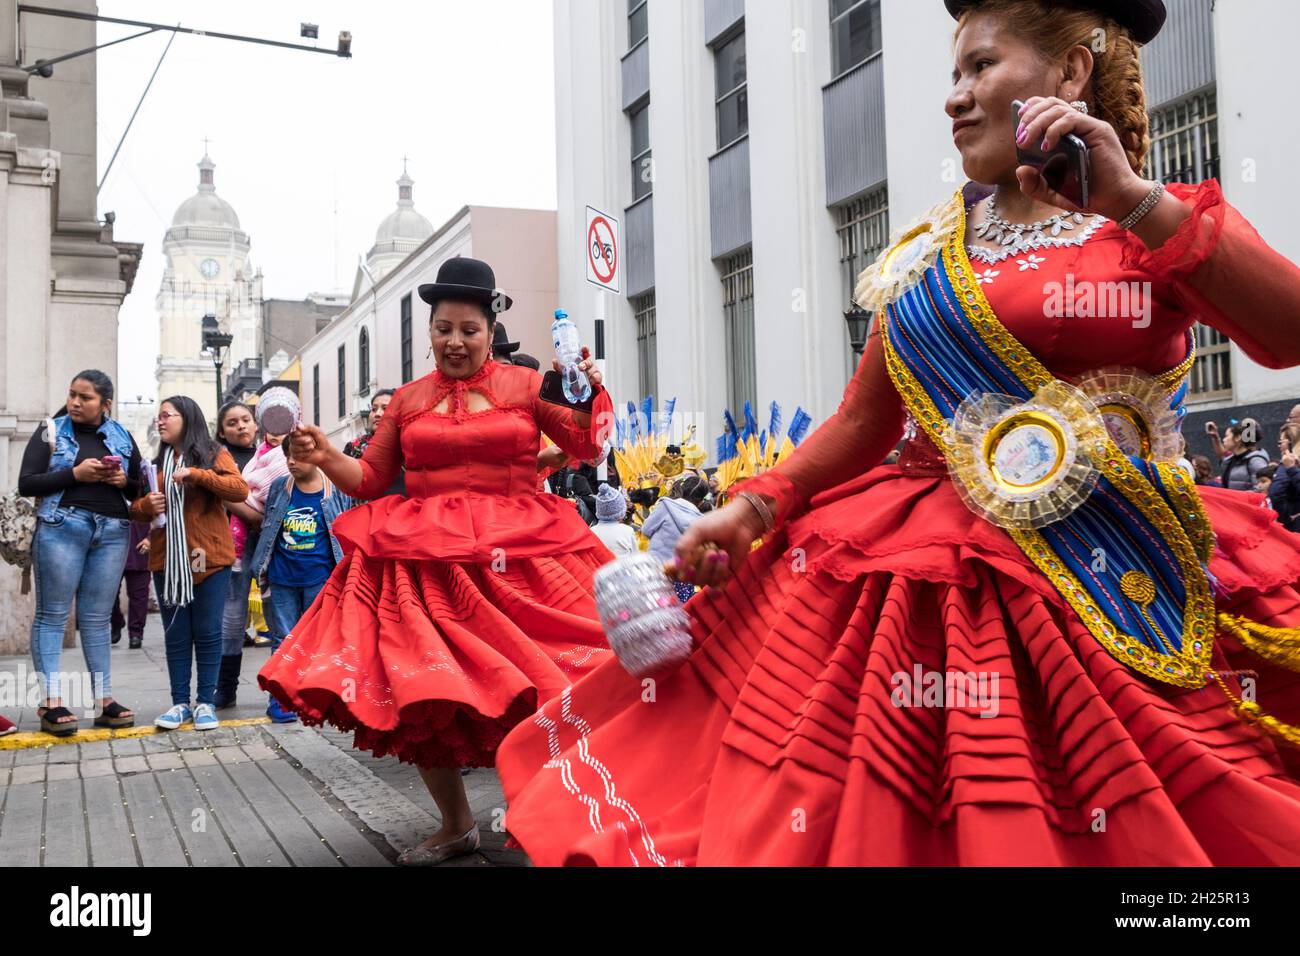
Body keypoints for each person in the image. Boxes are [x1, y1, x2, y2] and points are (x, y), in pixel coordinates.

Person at [495, 0, 1300, 866]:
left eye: (982, 68)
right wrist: (751, 507)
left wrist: (1131, 200)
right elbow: (861, 422)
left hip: (1114, 571)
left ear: (1070, 75)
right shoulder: (926, 254)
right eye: (952, 74)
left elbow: (1284, 334)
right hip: (921, 587)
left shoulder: (1152, 220)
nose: (955, 96)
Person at [260, 255, 614, 866]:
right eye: (442, 329)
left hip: (519, 556)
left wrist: (586, 385)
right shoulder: (406, 399)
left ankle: (544, 814)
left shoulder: (529, 387)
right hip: (425, 565)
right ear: (429, 332)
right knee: (422, 689)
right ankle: (456, 824)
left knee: (547, 683)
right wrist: (323, 456)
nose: (454, 342)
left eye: (468, 331)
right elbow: (371, 478)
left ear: (490, 331)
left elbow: (587, 441)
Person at [18, 370, 142, 736]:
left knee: (98, 618)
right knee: (53, 615)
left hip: (112, 531)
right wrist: (75, 474)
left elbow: (139, 490)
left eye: (84, 397)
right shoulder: (50, 430)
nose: (75, 402)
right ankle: (51, 702)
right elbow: (27, 482)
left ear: (105, 404)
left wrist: (124, 482)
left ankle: (104, 700)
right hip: (61, 527)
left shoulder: (121, 434)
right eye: (72, 394)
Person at [132, 396, 249, 732]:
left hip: (210, 559)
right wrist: (145, 504)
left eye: (167, 415)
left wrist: (198, 475)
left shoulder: (213, 454)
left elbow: (239, 490)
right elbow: (134, 508)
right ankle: (179, 703)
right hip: (167, 561)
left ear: (188, 418)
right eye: (159, 416)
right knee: (177, 634)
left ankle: (206, 703)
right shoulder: (155, 463)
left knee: (209, 632)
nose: (161, 421)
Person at [250, 441, 351, 723]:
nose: (292, 462)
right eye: (287, 456)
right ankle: (280, 701)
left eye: (298, 456)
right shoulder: (281, 487)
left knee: (318, 640)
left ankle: (312, 699)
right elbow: (269, 528)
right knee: (283, 639)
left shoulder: (334, 490)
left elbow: (342, 531)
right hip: (283, 579)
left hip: (319, 580)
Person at [215, 401, 262, 707]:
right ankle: (226, 689)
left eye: (246, 420)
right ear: (222, 431)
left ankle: (282, 692)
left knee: (276, 616)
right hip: (233, 546)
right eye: (232, 423)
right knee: (231, 619)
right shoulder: (217, 460)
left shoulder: (271, 455)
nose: (241, 426)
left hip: (273, 542)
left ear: (256, 424)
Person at [641, 474, 708, 602]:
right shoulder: (701, 521)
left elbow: (646, 529)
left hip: (655, 569)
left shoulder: (665, 505)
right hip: (681, 576)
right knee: (676, 615)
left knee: (653, 610)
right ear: (701, 500)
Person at [343, 389, 405, 498]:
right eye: (373, 409)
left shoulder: (408, 446)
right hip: (363, 512)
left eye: (385, 408)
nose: (378, 414)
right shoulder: (353, 448)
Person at [111, 523, 152, 649]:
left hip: (140, 545)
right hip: (111, 549)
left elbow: (162, 518)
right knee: (108, 594)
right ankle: (116, 622)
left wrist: (150, 538)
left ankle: (136, 633)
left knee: (139, 595)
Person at [1219, 422, 1270, 491]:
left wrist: (1241, 498)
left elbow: (1261, 488)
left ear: (1238, 437)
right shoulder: (1228, 461)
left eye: (1227, 436)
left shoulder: (1255, 460)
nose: (1224, 439)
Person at [590, 484, 638, 557]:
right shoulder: (627, 531)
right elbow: (636, 558)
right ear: (621, 512)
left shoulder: (591, 532)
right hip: (623, 567)